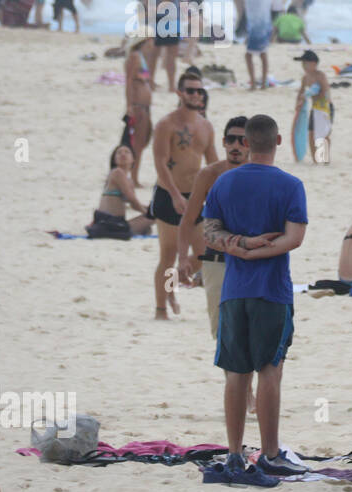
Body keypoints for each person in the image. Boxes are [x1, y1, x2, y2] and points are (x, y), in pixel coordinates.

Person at [202, 114, 308, 483]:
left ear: (245, 142)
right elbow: (294, 238)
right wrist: (256, 249)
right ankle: (271, 452)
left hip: (234, 290)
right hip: (271, 290)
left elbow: (210, 231)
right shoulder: (290, 185)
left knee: (235, 374)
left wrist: (241, 248)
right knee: (269, 371)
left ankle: (234, 453)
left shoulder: (224, 182)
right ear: (278, 140)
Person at [149, 71, 218, 319]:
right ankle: (160, 310)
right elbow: (160, 163)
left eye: (199, 90)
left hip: (196, 196)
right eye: (190, 90)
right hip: (169, 195)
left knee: (202, 256)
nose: (196, 95)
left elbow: (213, 165)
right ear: (179, 93)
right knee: (167, 255)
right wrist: (176, 195)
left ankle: (171, 285)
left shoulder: (206, 126)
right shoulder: (166, 125)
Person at [178, 115, 251, 343]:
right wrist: (182, 259)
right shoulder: (209, 174)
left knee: (250, 332)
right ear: (224, 142)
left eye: (243, 140)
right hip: (216, 260)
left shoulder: (259, 175)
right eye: (231, 139)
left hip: (251, 259)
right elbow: (188, 220)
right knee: (222, 333)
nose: (236, 145)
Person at [89, 145, 152, 237]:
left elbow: (134, 205)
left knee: (152, 219)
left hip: (116, 223)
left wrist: (148, 209)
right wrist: (149, 213)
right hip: (108, 223)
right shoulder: (117, 172)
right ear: (115, 160)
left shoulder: (129, 181)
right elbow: (132, 199)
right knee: (157, 217)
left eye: (127, 152)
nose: (123, 154)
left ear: (133, 159)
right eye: (119, 153)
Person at [124, 36, 155, 185]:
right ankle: (133, 177)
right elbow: (129, 81)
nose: (153, 43)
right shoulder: (135, 57)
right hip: (138, 106)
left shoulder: (141, 57)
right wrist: (130, 105)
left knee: (141, 142)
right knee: (137, 143)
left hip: (144, 106)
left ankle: (134, 175)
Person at [294, 50, 333, 162]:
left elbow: (325, 92)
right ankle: (315, 160)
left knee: (324, 134)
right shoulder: (305, 78)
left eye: (305, 63)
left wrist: (312, 92)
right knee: (311, 133)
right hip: (315, 109)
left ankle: (325, 158)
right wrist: (299, 103)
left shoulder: (320, 76)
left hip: (325, 108)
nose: (303, 66)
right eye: (303, 63)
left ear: (314, 63)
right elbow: (301, 92)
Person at [244, 0, 272, 88]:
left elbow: (248, 2)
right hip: (266, 24)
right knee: (263, 53)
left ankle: (253, 83)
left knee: (248, 55)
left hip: (256, 25)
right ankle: (264, 82)